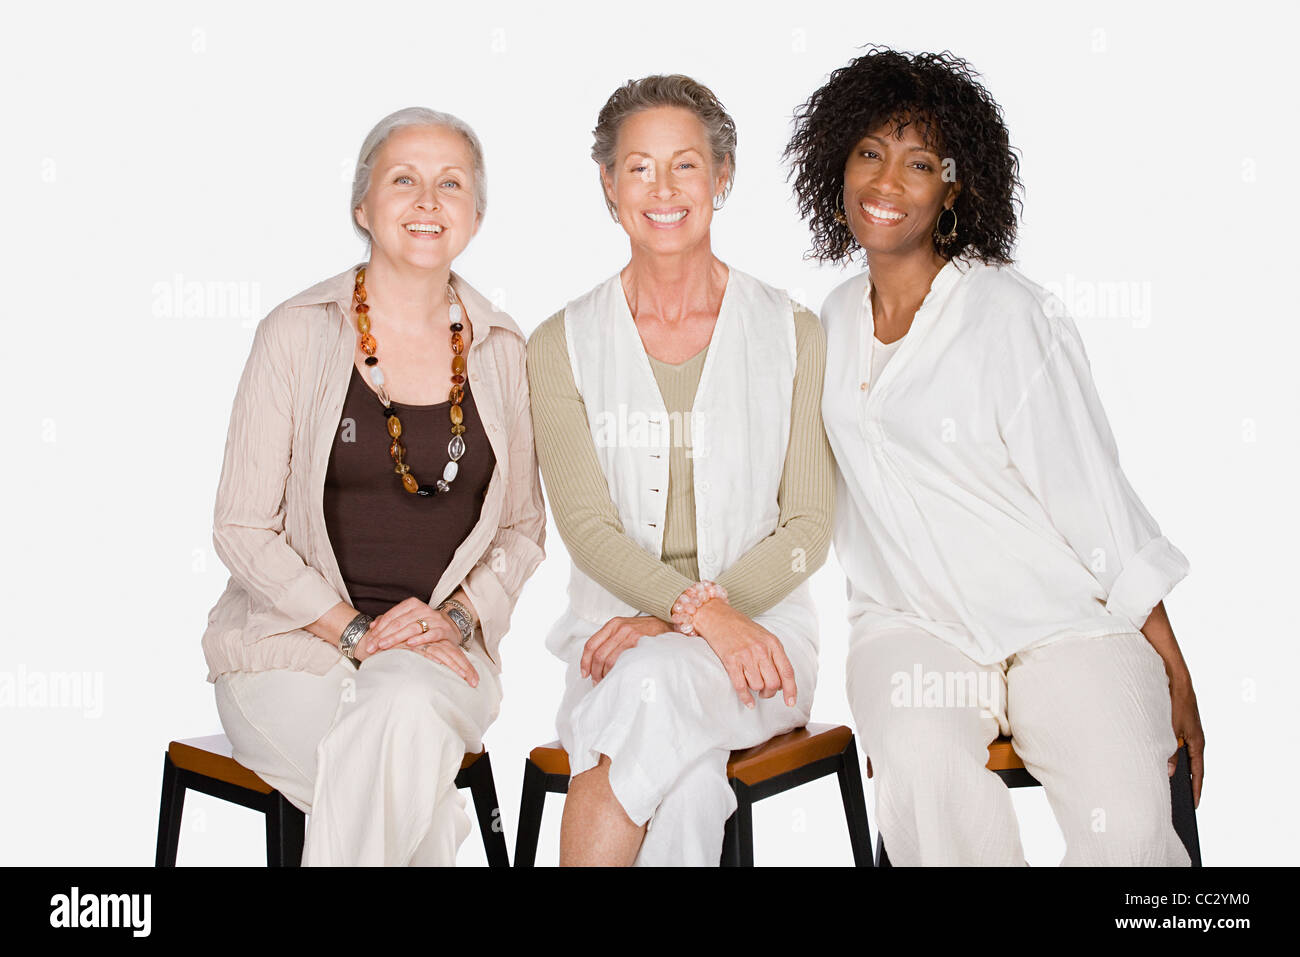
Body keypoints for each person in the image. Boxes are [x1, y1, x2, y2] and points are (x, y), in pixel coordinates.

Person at [785, 47, 1204, 866]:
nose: (886, 182)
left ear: (954, 186)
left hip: (1064, 623)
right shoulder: (824, 326)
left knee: (1124, 813)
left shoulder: (1013, 315)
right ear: (836, 166)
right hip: (912, 623)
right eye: (869, 153)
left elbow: (1093, 496)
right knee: (923, 776)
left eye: (918, 163)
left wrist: (1171, 661)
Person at [202, 106, 545, 865]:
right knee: (399, 762)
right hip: (288, 653)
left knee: (399, 710)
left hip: (442, 657)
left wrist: (456, 618)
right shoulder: (294, 333)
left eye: (450, 183)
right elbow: (240, 527)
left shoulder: (504, 351)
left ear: (476, 216)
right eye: (404, 180)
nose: (428, 200)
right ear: (362, 207)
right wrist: (353, 631)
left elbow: (524, 529)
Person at [527, 74, 835, 866]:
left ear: (723, 176)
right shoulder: (559, 343)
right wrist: (698, 619)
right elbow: (589, 532)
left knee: (654, 683)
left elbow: (807, 529)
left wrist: (688, 618)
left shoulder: (793, 333)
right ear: (607, 183)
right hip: (612, 645)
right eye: (638, 167)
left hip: (762, 648)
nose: (662, 189)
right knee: (689, 781)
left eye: (686, 165)